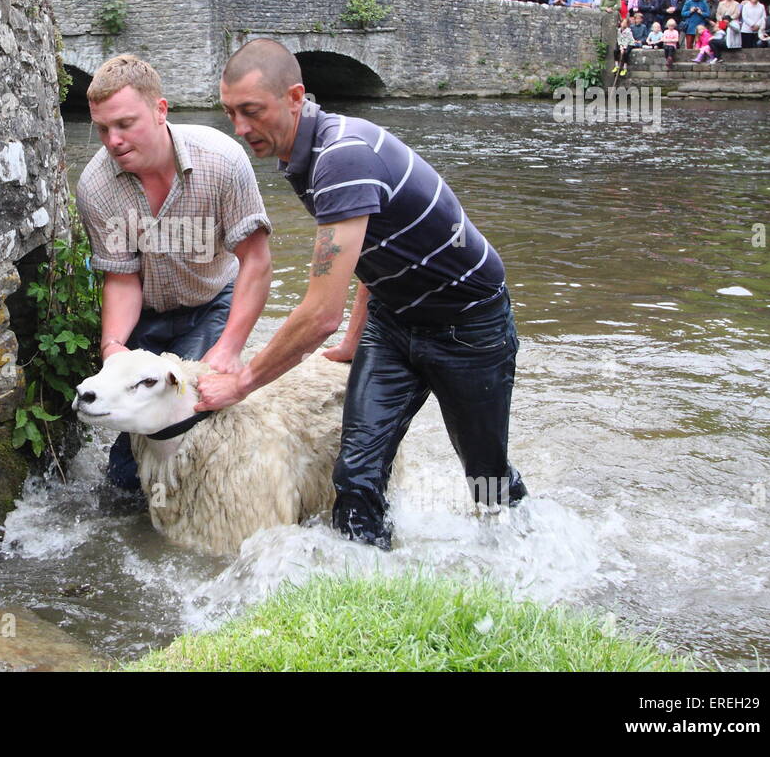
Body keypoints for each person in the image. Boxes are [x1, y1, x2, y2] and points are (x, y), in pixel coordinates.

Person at [198, 39, 529, 548]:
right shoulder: (303, 154)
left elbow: (318, 313)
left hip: (469, 323)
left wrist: (242, 383)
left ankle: (526, 560)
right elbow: (371, 254)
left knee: (485, 477)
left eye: (251, 111)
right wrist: (356, 341)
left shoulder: (341, 157)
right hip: (394, 324)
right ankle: (366, 585)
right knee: (355, 475)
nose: (240, 129)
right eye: (229, 113)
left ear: (294, 97)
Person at [76, 55, 273, 492]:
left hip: (211, 303)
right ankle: (131, 521)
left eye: (125, 124)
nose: (113, 140)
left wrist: (230, 347)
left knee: (193, 419)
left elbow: (256, 262)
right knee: (127, 464)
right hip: (146, 311)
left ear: (161, 110)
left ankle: (222, 510)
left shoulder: (221, 161)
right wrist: (113, 346)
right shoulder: (95, 186)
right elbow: (122, 277)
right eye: (103, 128)